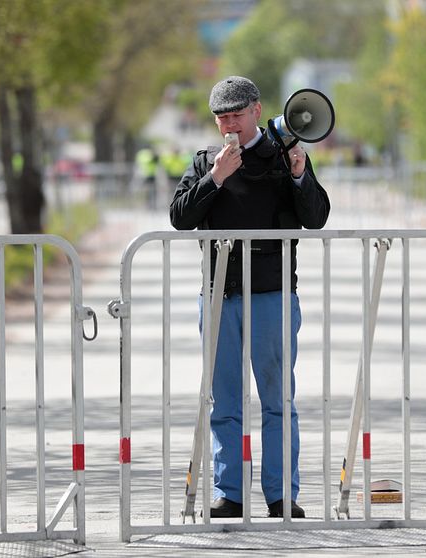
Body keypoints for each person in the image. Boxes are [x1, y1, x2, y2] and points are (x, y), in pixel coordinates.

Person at [170, 76, 330, 518]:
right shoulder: (206, 161)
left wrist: (299, 176)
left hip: (273, 296)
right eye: (222, 118)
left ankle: (282, 497)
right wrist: (216, 179)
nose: (229, 127)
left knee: (278, 400)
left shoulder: (286, 156)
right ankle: (230, 494)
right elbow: (180, 217)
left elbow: (315, 218)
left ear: (257, 111)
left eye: (237, 116)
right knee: (224, 401)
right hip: (220, 296)